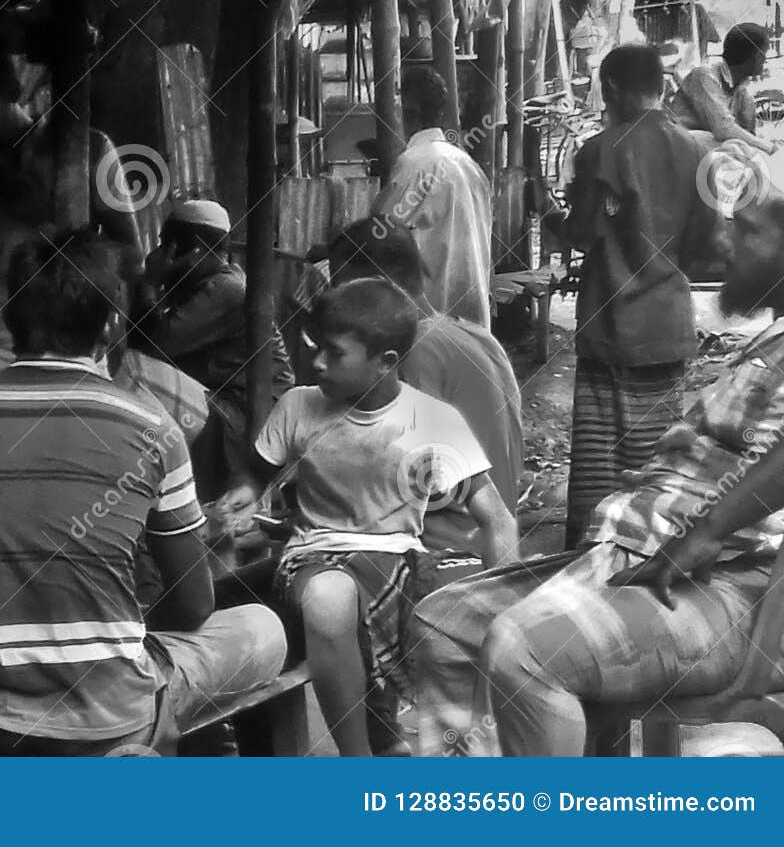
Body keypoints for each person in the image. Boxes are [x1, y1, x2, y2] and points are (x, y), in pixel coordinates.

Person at [410, 192, 784, 757]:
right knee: (445, 623)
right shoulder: (766, 342)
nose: (722, 244)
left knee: (522, 649)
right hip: (639, 550)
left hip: (734, 585)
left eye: (747, 231)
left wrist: (705, 530)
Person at [0, 228, 287, 756]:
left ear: (11, 318)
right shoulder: (154, 427)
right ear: (114, 323)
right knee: (261, 629)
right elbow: (192, 604)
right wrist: (121, 631)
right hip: (106, 711)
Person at [218, 279, 518, 756]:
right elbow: (254, 479)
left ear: (387, 363)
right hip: (311, 557)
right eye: (317, 349)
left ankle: (384, 752)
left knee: (353, 604)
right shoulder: (298, 405)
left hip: (395, 560)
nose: (316, 363)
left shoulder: (432, 422)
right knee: (319, 597)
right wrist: (239, 501)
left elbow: (496, 520)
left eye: (334, 355)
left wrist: (503, 601)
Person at [546, 44, 717, 550]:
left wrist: (549, 215)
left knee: (599, 459)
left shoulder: (599, 150)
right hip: (665, 327)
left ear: (612, 88)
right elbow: (705, 246)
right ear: (661, 87)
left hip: (608, 325)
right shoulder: (697, 151)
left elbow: (580, 233)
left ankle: (587, 561)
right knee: (654, 458)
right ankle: (647, 550)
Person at [325, 216, 524, 565]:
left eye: (350, 294)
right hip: (487, 528)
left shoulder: (413, 351)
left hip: (451, 544)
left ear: (380, 286)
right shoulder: (477, 336)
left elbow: (397, 478)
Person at [0, 36, 141, 380]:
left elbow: (132, 256)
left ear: (10, 90)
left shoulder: (94, 151)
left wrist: (67, 242)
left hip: (70, 354)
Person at [132, 198, 295, 497]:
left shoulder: (227, 290)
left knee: (134, 371)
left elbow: (153, 346)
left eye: (166, 246)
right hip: (222, 399)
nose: (157, 255)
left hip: (247, 411)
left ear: (193, 251)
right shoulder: (198, 283)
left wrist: (148, 285)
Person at [372, 65, 494, 329]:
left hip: (433, 318)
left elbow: (379, 234)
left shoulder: (414, 164)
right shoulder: (467, 164)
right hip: (473, 314)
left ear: (408, 113)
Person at [667, 22, 777, 155]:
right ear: (748, 55)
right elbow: (723, 128)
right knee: (723, 142)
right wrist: (768, 148)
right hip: (676, 156)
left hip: (708, 163)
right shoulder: (703, 76)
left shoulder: (744, 95)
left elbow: (748, 139)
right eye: (762, 54)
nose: (764, 59)